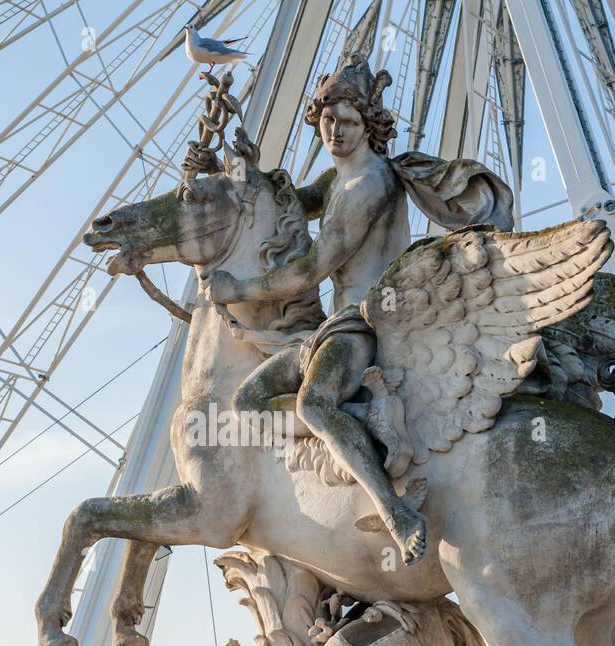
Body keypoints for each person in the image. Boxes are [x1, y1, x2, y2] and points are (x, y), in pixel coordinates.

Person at [201, 54, 512, 565]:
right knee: (249, 399)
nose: (336, 131)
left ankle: (394, 512)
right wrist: (240, 173)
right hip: (328, 330)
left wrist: (239, 287)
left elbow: (313, 268)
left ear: (369, 126)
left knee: (311, 406)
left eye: (348, 122)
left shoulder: (369, 183)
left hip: (363, 322)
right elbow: (289, 205)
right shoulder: (336, 178)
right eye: (328, 120)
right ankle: (367, 418)